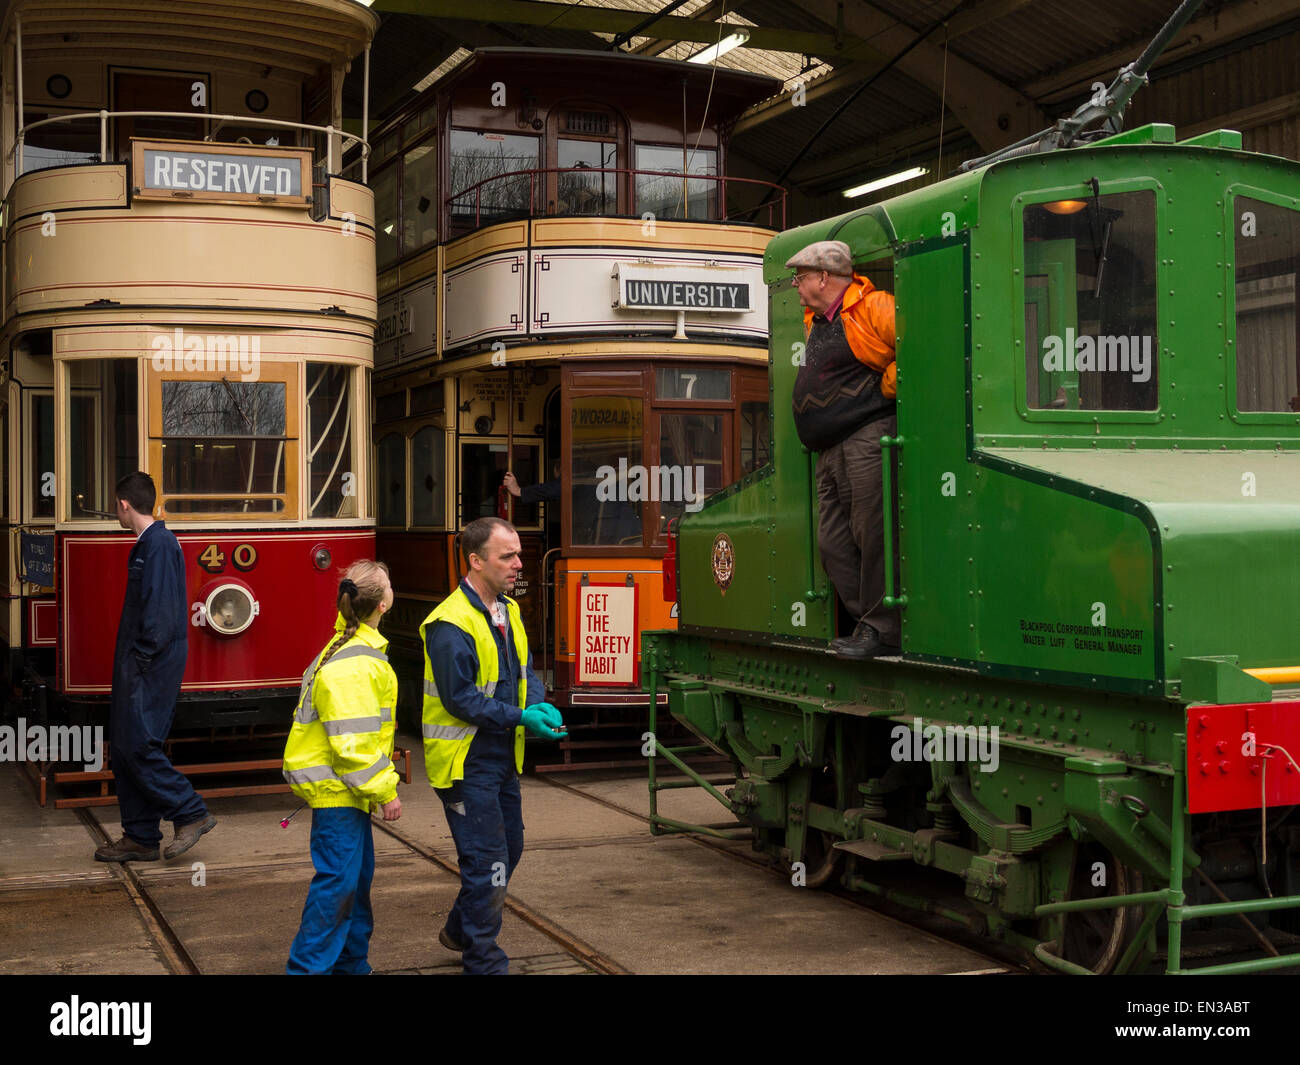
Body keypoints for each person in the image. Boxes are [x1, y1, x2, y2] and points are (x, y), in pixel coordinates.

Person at [419, 516, 566, 974]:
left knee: (512, 850)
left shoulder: (510, 611)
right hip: (465, 761)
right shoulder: (448, 624)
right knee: (487, 863)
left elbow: (525, 673)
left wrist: (540, 704)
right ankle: (483, 962)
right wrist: (522, 716)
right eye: (508, 556)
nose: (520, 564)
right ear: (476, 561)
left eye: (519, 554)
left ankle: (461, 930)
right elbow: (461, 699)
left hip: (501, 756)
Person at [284, 561, 401, 975]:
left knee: (352, 883)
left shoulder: (345, 649)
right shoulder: (357, 663)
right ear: (383, 604)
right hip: (340, 791)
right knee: (338, 886)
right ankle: (309, 970)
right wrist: (385, 790)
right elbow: (353, 745)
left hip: (343, 792)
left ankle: (352, 966)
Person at [95, 471, 216, 862]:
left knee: (136, 746)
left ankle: (190, 812)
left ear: (124, 505)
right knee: (126, 747)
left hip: (149, 665)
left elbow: (160, 616)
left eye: (117, 506)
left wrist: (141, 661)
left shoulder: (158, 544)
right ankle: (141, 836)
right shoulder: (152, 543)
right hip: (142, 663)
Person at [788, 239, 900, 659]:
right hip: (829, 448)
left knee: (871, 533)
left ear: (823, 277)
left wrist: (884, 389)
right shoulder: (816, 320)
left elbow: (920, 344)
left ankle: (881, 629)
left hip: (866, 438)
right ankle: (867, 624)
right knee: (833, 542)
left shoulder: (874, 306)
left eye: (800, 277)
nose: (796, 285)